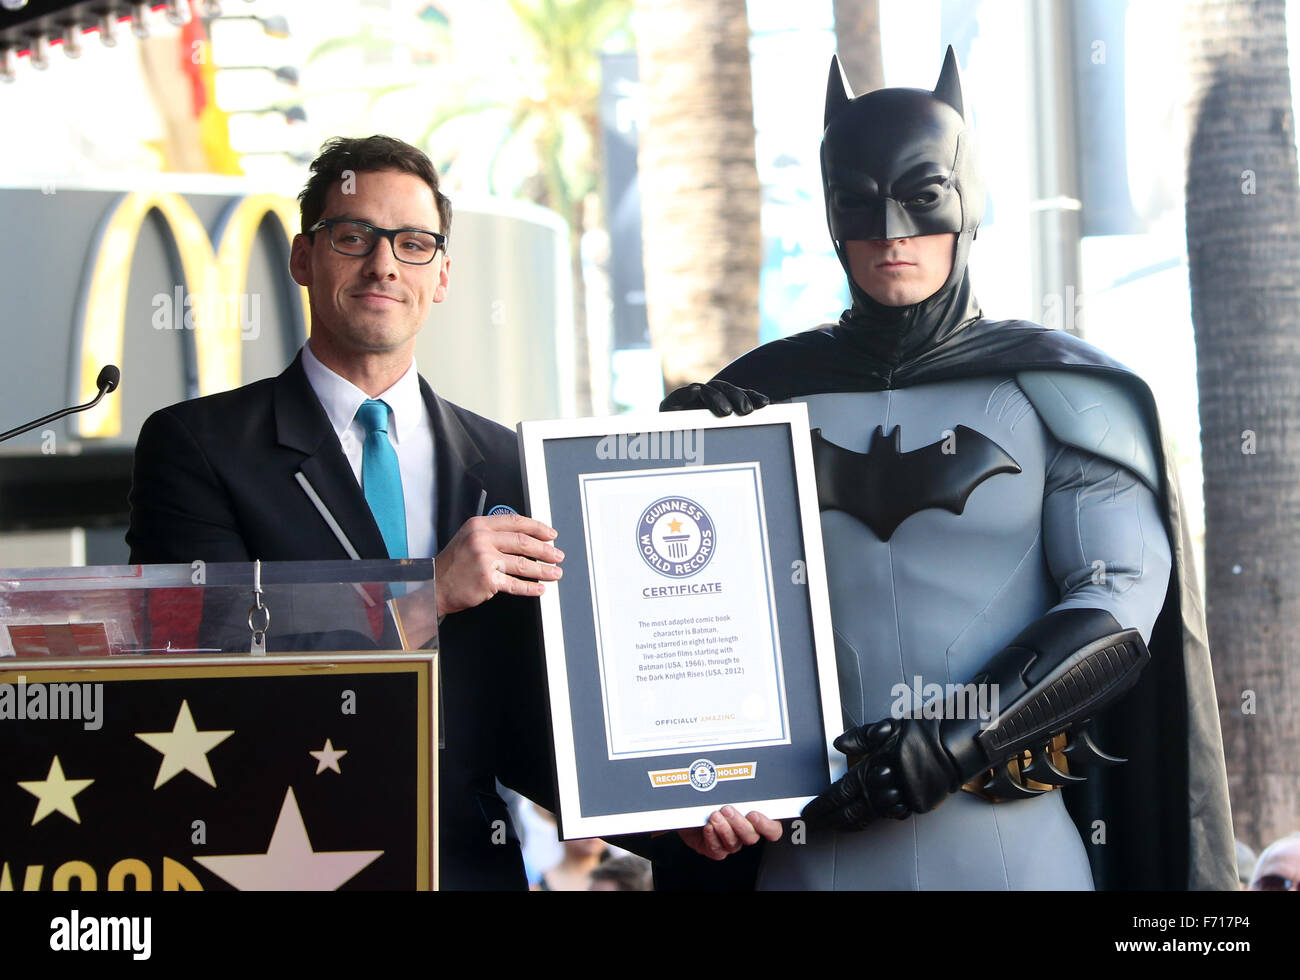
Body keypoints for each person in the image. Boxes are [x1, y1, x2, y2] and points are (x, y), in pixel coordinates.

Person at [656, 48, 1235, 890]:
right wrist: (679, 468)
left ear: (968, 200)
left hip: (1008, 848)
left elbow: (1118, 606)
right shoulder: (758, 397)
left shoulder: (1060, 387)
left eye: (922, 198)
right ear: (828, 214)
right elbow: (683, 628)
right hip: (806, 849)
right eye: (859, 203)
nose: (891, 234)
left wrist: (965, 735)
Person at [127, 135, 563, 890]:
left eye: (414, 243)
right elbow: (198, 655)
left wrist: (681, 799)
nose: (385, 264)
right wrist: (424, 595)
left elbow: (534, 706)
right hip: (273, 860)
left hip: (468, 867)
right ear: (303, 258)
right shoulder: (196, 446)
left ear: (444, 275)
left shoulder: (510, 463)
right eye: (354, 235)